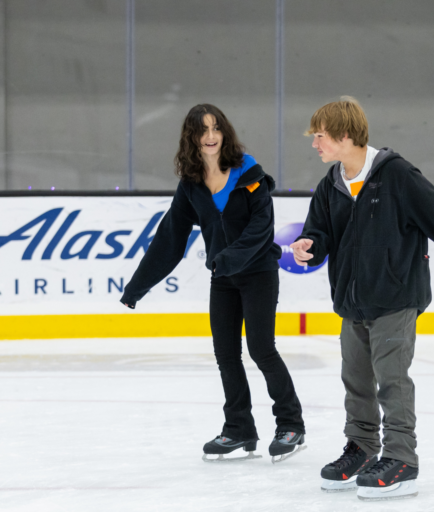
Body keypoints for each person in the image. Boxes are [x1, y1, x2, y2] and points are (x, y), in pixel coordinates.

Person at [290, 97, 434, 499]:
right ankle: (362, 449)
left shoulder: (396, 174)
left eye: (320, 136)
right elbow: (321, 231)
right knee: (357, 380)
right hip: (353, 300)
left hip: (396, 297)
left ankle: (401, 459)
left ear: (345, 135)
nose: (315, 143)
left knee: (392, 381)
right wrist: (308, 243)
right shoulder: (331, 184)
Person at [120, 104, 305, 463]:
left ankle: (290, 425)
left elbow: (261, 228)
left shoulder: (249, 173)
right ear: (191, 137)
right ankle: (239, 429)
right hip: (223, 279)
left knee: (261, 349)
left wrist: (227, 259)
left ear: (225, 132)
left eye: (216, 128)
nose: (210, 136)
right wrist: (137, 287)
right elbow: (169, 238)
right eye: (202, 130)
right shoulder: (191, 186)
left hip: (258, 274)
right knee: (225, 355)